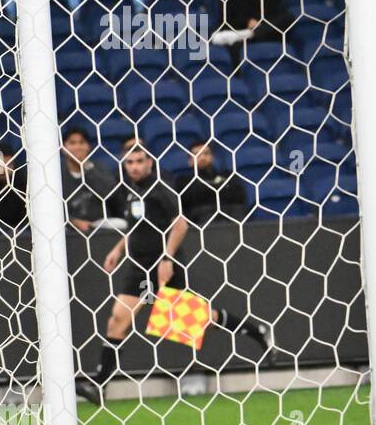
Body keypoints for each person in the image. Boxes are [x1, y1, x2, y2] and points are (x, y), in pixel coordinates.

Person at [77, 145, 272, 405]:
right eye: (129, 162)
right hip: (139, 268)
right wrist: (118, 249)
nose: (134, 166)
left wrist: (167, 257)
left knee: (194, 323)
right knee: (118, 319)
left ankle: (257, 331)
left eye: (139, 161)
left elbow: (180, 224)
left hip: (163, 267)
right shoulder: (130, 190)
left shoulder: (161, 189)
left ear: (150, 163)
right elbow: (137, 227)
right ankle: (98, 385)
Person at [211, 0, 293, 71]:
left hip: (269, 35)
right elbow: (225, 24)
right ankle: (250, 33)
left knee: (289, 17)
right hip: (244, 40)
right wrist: (246, 23)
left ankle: (252, 33)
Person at [61, 126, 122, 233]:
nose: (78, 147)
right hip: (68, 225)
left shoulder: (99, 168)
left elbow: (109, 193)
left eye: (81, 142)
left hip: (99, 223)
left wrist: (87, 168)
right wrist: (73, 221)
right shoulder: (57, 174)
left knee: (120, 224)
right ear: (63, 148)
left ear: (88, 147)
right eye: (72, 143)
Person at [180, 140, 249, 226]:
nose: (202, 157)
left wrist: (206, 188)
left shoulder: (228, 175)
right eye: (197, 155)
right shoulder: (183, 180)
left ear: (212, 157)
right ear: (190, 161)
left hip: (231, 215)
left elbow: (239, 195)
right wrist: (221, 186)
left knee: (238, 210)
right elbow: (190, 198)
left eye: (206, 153)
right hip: (203, 220)